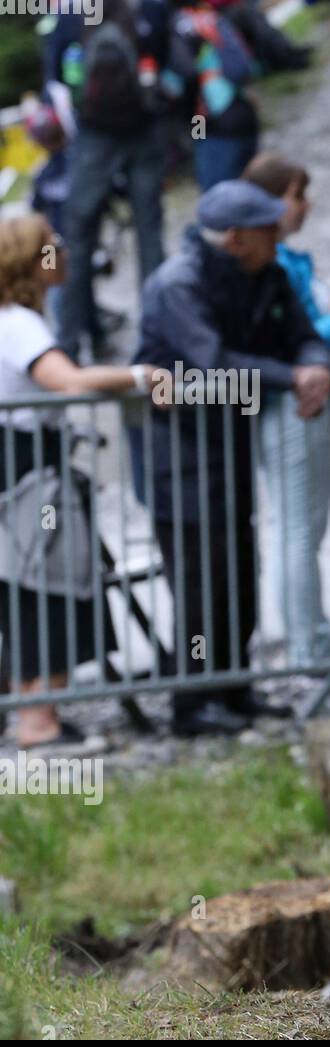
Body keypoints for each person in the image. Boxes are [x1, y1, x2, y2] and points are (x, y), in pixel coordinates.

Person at [131, 181, 330, 737]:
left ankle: (236, 687)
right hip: (182, 451)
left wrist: (314, 365)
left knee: (241, 566)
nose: (280, 232)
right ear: (238, 238)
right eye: (268, 227)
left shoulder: (264, 275)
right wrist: (292, 375)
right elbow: (211, 362)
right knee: (200, 577)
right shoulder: (178, 285)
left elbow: (304, 334)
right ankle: (195, 702)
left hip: (229, 442)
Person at [0, 215, 168, 750]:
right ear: (32, 261)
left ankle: (31, 713)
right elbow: (66, 380)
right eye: (52, 247)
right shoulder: (18, 324)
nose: (64, 253)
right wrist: (140, 376)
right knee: (42, 583)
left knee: (28, 581)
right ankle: (37, 722)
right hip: (27, 467)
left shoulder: (18, 318)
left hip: (24, 461)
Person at [242, 152, 330, 664]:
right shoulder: (274, 267)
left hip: (308, 404)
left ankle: (311, 635)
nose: (306, 205)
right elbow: (297, 338)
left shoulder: (287, 261)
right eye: (297, 195)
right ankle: (306, 648)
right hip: (292, 405)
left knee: (305, 526)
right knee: (298, 526)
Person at [45, 0, 186, 362]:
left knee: (77, 241)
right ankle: (159, 343)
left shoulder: (72, 12)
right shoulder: (150, 8)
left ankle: (70, 347)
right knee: (149, 235)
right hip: (144, 131)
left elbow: (57, 80)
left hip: (94, 138)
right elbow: (171, 61)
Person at [171, 0, 262, 190]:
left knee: (214, 190)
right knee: (251, 187)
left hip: (207, 118)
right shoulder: (212, 19)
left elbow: (186, 74)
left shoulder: (174, 28)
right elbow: (244, 68)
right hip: (242, 109)